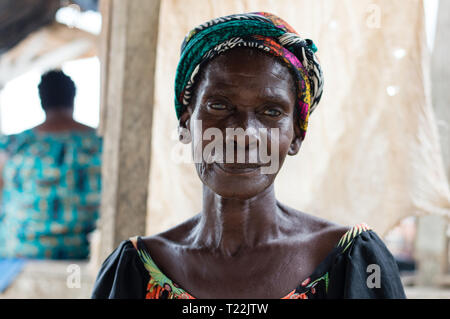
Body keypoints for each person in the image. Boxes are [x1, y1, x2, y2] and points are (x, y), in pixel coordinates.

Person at [91, 12, 406, 299]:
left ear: (296, 136)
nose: (243, 134)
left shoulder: (351, 263)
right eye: (219, 105)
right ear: (186, 124)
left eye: (271, 111)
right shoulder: (134, 271)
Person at [0, 70, 102, 259]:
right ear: (73, 98)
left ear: (41, 100)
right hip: (85, 248)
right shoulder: (99, 143)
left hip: (23, 249)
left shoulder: (16, 145)